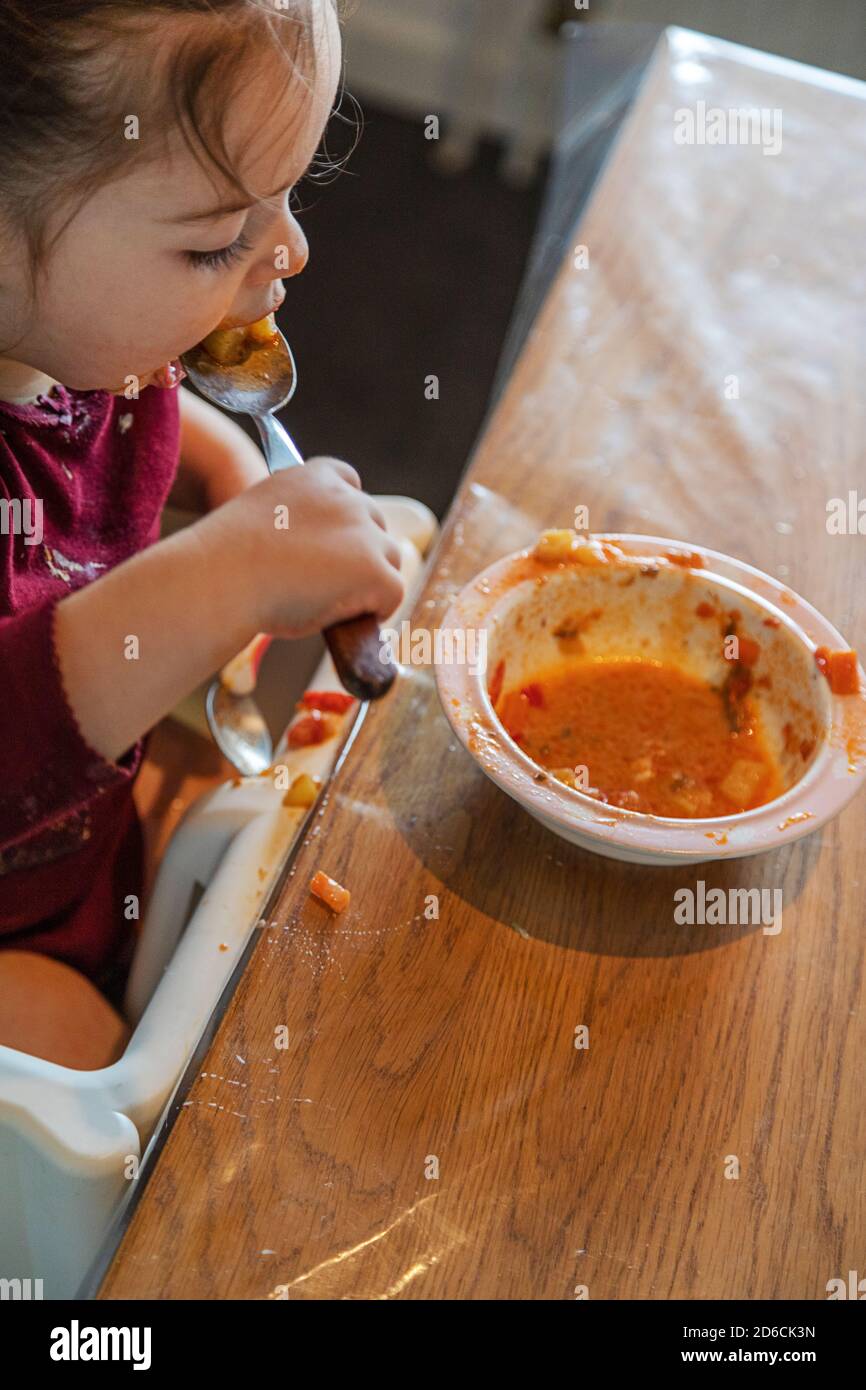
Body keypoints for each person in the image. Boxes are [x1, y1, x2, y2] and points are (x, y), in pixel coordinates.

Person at [0, 0, 403, 1067]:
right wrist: (228, 575)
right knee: (82, 1062)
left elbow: (127, 418)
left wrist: (226, 470)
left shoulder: (70, 342)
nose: (292, 252)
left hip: (80, 855)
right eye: (222, 238)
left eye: (284, 204)